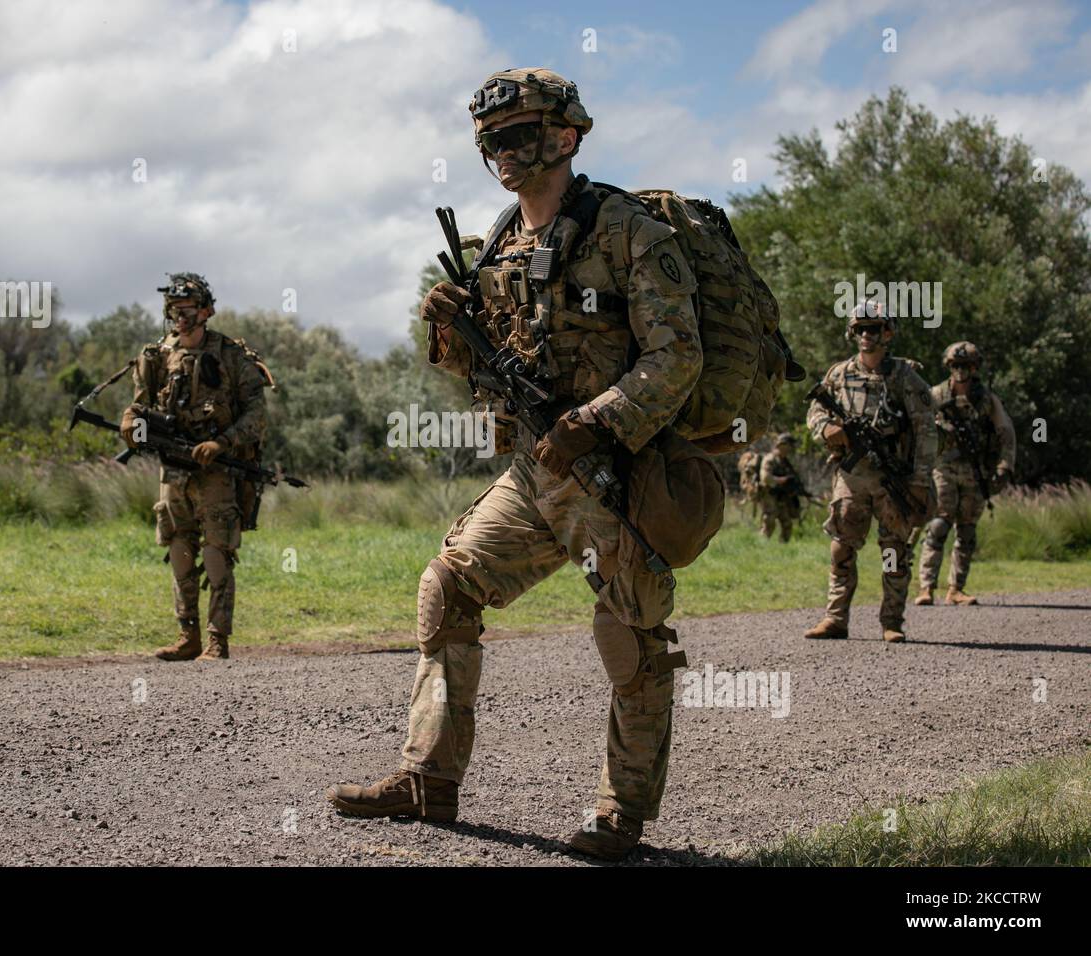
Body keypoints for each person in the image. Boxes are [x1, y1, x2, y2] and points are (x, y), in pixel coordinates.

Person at [326, 68, 703, 861]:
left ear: (567, 136)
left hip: (614, 474)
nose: (504, 149)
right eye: (492, 138)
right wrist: (448, 332)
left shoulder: (629, 231)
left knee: (631, 636)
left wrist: (595, 422)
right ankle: (428, 778)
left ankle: (620, 815)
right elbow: (481, 371)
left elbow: (678, 358)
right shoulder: (498, 241)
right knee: (449, 585)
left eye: (522, 134)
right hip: (534, 473)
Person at [119, 272, 268, 661]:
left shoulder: (231, 355)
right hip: (174, 470)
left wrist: (221, 443)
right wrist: (130, 422)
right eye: (174, 311)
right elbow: (141, 405)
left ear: (206, 311)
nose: (180, 318)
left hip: (216, 470)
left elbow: (257, 413)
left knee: (217, 553)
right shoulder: (156, 355)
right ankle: (188, 636)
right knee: (179, 548)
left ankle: (218, 638)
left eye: (187, 310)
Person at [803, 300, 935, 643]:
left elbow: (925, 432)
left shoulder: (906, 377)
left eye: (873, 329)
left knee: (893, 550)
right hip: (851, 477)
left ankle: (892, 621)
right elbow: (815, 412)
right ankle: (835, 618)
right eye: (859, 328)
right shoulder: (839, 374)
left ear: (887, 333)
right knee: (841, 547)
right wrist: (826, 431)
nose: (865, 335)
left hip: (894, 480)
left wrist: (921, 481)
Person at [915, 341, 1015, 606]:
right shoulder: (935, 395)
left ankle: (956, 589)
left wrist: (1004, 466)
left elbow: (1006, 433)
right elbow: (918, 427)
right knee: (938, 525)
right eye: (955, 365)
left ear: (975, 368)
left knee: (967, 531)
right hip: (943, 468)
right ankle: (926, 587)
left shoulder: (987, 400)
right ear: (949, 366)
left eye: (966, 366)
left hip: (975, 471)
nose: (960, 370)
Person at [759, 433, 802, 541]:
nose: (791, 449)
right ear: (782, 445)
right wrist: (781, 480)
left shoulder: (785, 461)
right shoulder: (770, 459)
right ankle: (761, 546)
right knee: (769, 522)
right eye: (789, 445)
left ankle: (783, 547)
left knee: (787, 523)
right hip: (769, 494)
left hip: (781, 496)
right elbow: (765, 477)